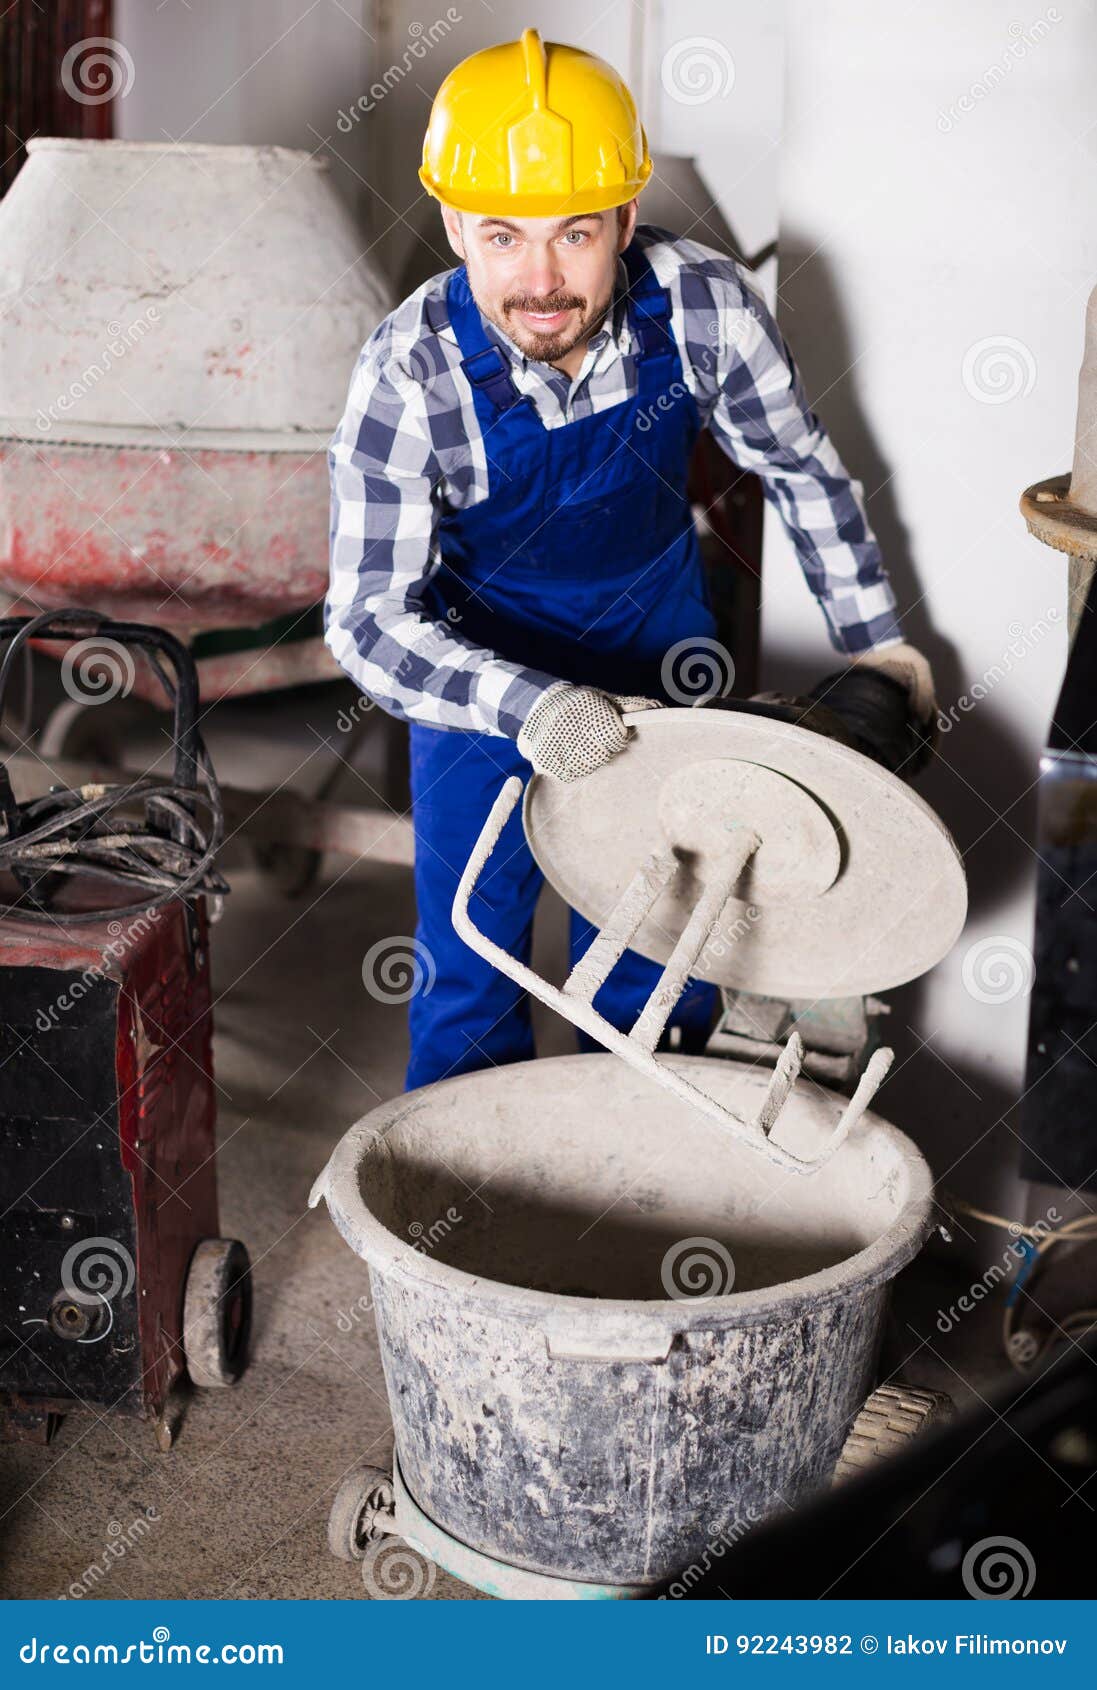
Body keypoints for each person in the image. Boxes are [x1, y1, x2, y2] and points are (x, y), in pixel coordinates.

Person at [325, 28, 934, 1090]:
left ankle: (641, 1199)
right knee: (473, 958)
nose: (542, 279)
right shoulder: (406, 371)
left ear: (624, 217)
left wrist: (875, 644)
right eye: (503, 236)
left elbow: (796, 466)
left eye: (575, 233)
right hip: (475, 666)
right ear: (455, 223)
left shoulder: (697, 305)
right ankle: (470, 1208)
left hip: (658, 640)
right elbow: (367, 619)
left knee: (662, 948)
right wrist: (531, 708)